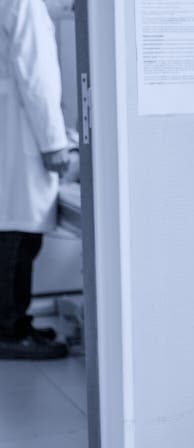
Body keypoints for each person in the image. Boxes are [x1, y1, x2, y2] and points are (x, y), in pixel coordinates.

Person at [0, 0, 76, 359]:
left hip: (12, 131)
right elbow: (37, 72)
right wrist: (54, 141)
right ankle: (10, 330)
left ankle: (16, 324)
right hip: (20, 134)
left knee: (12, 232)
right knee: (16, 238)